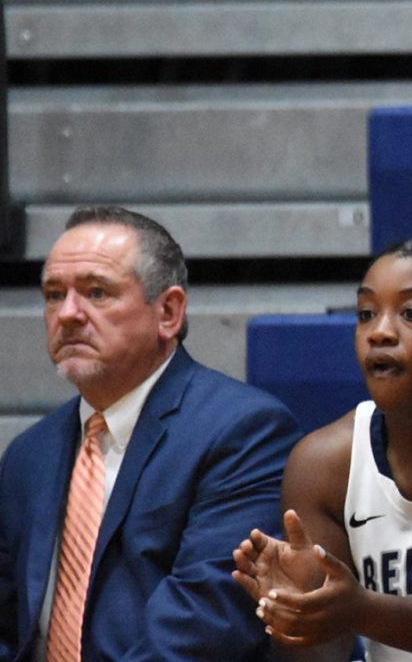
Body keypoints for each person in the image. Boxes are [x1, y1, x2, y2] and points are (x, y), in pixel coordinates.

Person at [0, 206, 299, 661]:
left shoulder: (242, 432)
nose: (68, 314)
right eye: (54, 294)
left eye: (96, 293)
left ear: (168, 311)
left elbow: (204, 628)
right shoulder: (29, 454)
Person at [231, 238, 412, 662]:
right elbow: (324, 653)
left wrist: (359, 610)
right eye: (366, 314)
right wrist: (299, 615)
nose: (380, 331)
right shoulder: (323, 462)